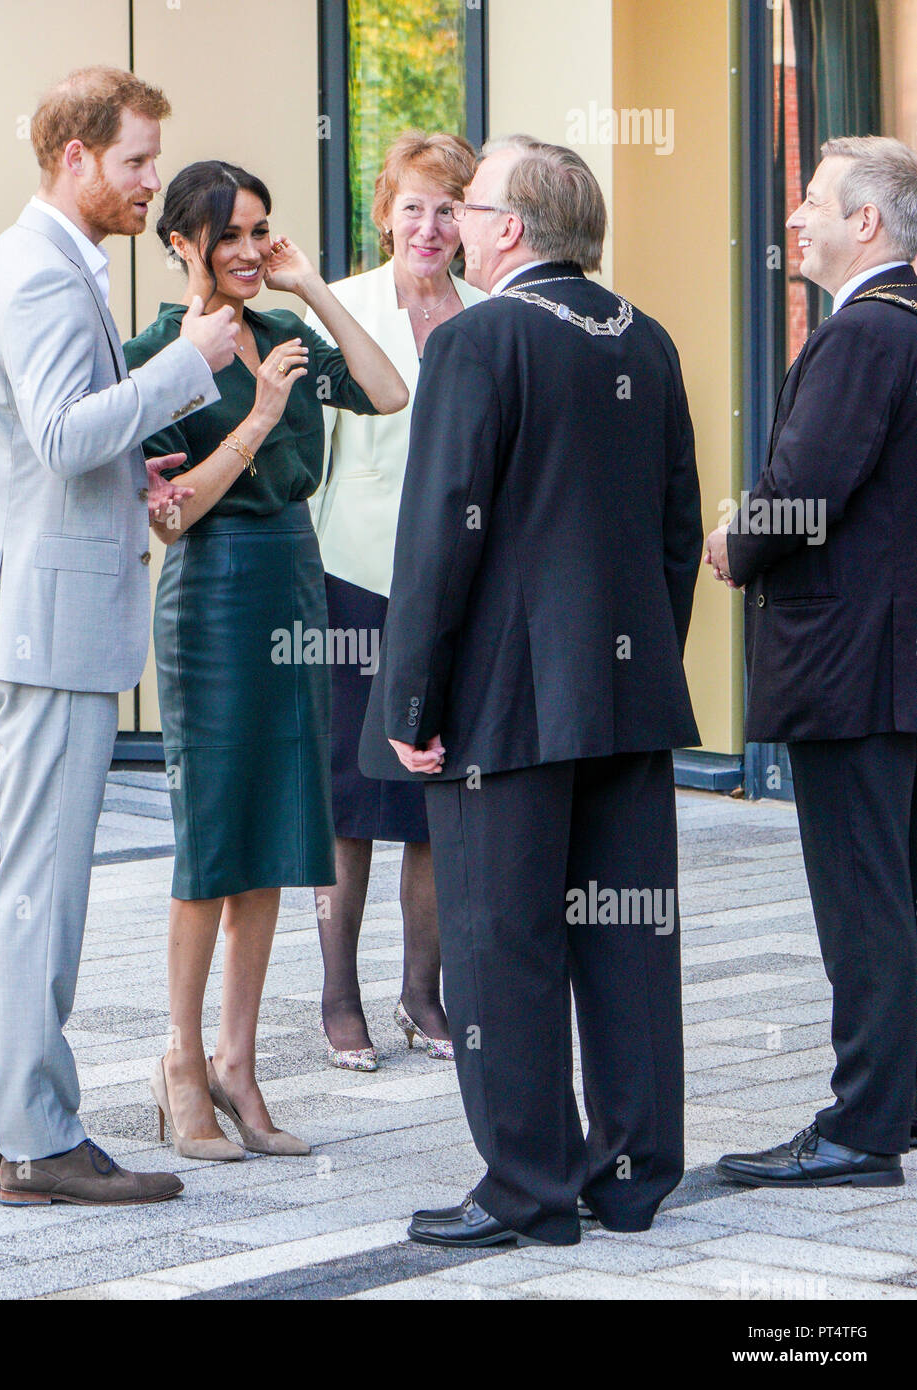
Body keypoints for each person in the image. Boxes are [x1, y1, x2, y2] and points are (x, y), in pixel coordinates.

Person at [362, 136, 702, 1248]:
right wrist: (646, 666)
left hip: (504, 705)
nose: (452, 219)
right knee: (628, 932)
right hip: (625, 695)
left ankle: (527, 1189)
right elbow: (673, 531)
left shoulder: (477, 340)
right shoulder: (644, 339)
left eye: (469, 204)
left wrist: (409, 704)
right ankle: (635, 1169)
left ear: (510, 229)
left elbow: (435, 543)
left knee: (503, 942)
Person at [0, 67, 238, 1206]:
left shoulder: (27, 261)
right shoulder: (49, 273)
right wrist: (189, 363)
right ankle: (42, 1143)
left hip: (8, 614)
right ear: (76, 159)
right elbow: (58, 434)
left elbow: (40, 446)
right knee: (34, 888)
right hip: (45, 625)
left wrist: (121, 462)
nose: (155, 182)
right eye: (140, 161)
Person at [121, 159, 407, 1161]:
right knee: (213, 836)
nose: (246, 249)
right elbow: (167, 512)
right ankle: (181, 1062)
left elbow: (387, 387)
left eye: (259, 230)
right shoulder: (157, 351)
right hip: (210, 590)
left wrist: (311, 286)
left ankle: (242, 1065)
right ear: (179, 245)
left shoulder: (286, 333)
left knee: (281, 835)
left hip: (294, 573)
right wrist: (253, 421)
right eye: (227, 234)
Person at [708, 136, 917, 1190]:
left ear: (866, 224)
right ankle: (894, 1102)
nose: (795, 217)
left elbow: (808, 487)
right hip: (894, 666)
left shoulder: (864, 335)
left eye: (813, 200)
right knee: (896, 889)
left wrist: (732, 544)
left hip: (856, 668)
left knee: (864, 899)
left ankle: (864, 1126)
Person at [308, 132, 484, 1071]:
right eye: (412, 206)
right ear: (384, 211)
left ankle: (424, 991)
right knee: (348, 801)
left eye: (449, 207)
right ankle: (340, 998)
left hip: (459, 595)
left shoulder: (492, 315)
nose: (429, 225)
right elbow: (314, 468)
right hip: (351, 586)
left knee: (434, 798)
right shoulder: (345, 309)